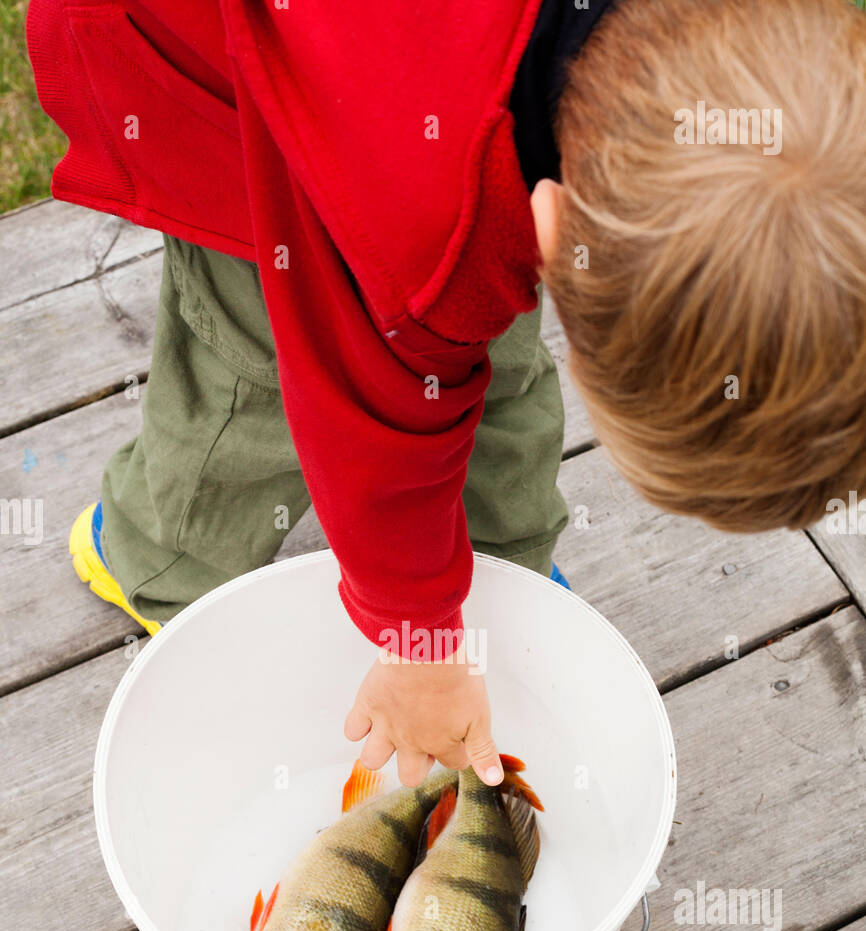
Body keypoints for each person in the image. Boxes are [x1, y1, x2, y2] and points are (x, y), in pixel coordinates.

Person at [27, 0, 866, 786]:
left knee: (482, 342)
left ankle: (505, 584)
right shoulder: (417, 233)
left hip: (432, 124)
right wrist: (419, 637)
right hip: (217, 89)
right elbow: (362, 427)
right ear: (551, 233)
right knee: (254, 386)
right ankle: (154, 553)